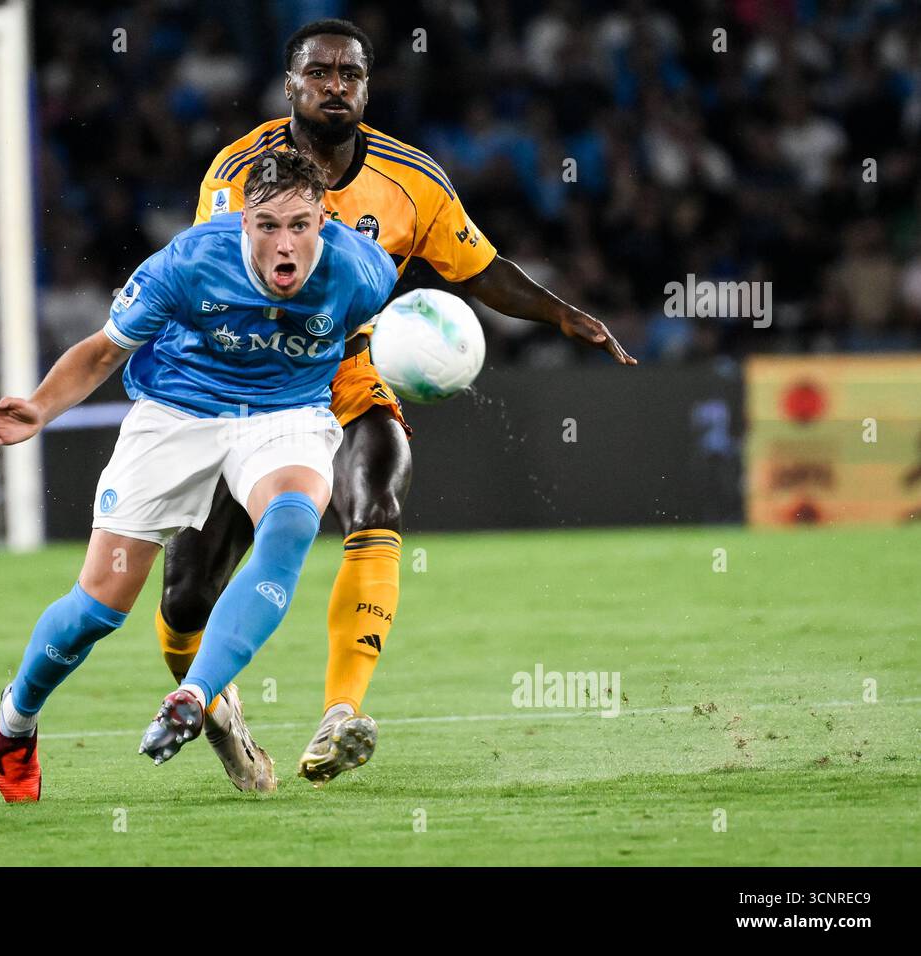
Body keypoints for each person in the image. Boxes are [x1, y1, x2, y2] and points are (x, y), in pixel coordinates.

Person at [157, 18, 638, 786]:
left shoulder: (412, 180)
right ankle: (219, 712)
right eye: (319, 73)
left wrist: (563, 313)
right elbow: (211, 281)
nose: (335, 85)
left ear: (367, 87)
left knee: (376, 497)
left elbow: (478, 268)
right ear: (290, 85)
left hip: (346, 374)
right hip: (246, 384)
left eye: (350, 74)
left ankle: (340, 713)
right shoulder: (237, 171)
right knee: (186, 597)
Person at [0, 148, 396, 802]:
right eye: (268, 226)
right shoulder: (190, 261)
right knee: (98, 608)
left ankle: (195, 696)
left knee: (289, 525)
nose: (285, 244)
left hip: (285, 415)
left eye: (301, 226)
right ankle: (16, 717)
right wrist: (39, 408)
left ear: (323, 219)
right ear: (243, 220)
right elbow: (104, 351)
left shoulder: (363, 272)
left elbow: (357, 340)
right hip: (178, 409)